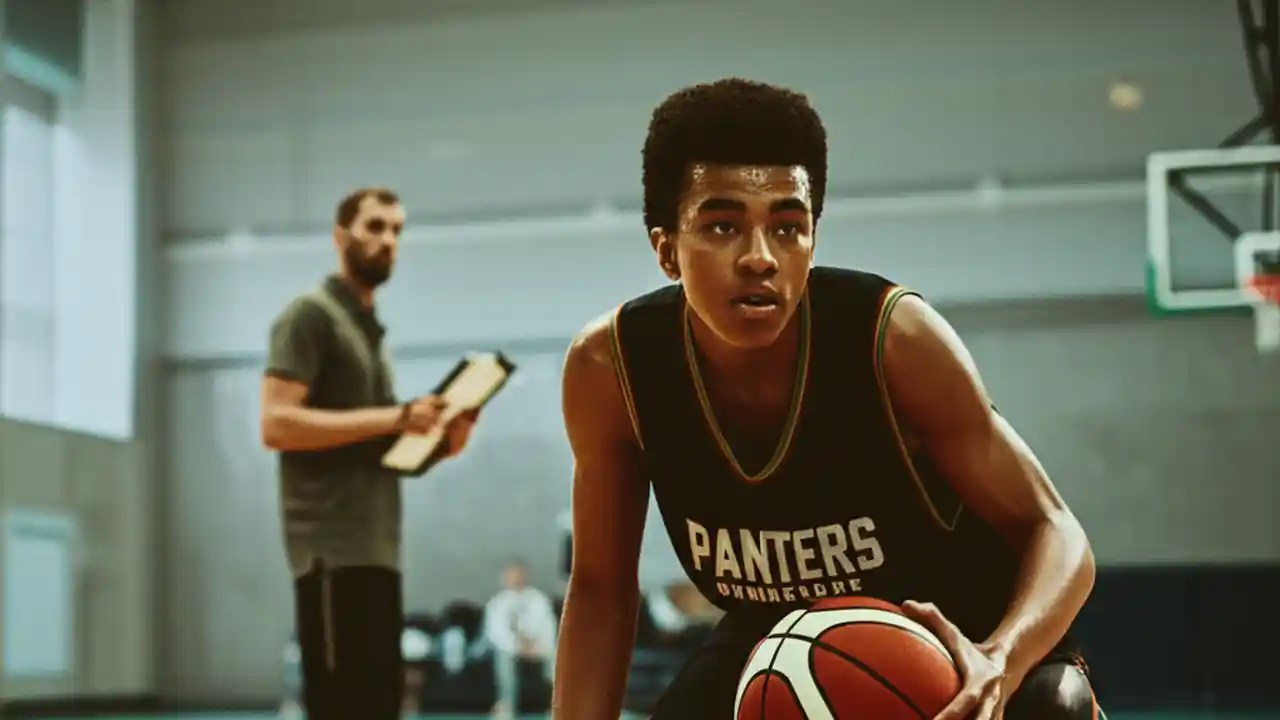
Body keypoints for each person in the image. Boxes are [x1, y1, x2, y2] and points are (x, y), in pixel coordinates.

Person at [552, 79, 1102, 720]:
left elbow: (1057, 531)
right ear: (666, 249)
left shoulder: (892, 338)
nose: (760, 258)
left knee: (1050, 709)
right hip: (780, 638)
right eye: (723, 225)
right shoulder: (610, 366)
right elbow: (599, 588)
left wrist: (1001, 659)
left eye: (788, 227)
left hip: (956, 635)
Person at [259, 187, 480, 720]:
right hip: (332, 551)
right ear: (341, 236)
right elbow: (277, 423)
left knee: (380, 706)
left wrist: (444, 440)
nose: (388, 240)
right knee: (342, 707)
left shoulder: (372, 333)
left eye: (397, 230)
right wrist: (400, 416)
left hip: (378, 550)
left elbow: (379, 448)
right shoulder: (309, 316)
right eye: (375, 226)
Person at [482, 560, 558, 718]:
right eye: (512, 576)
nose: (516, 579)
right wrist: (518, 646)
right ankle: (507, 705)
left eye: (519, 575)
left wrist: (537, 646)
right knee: (503, 659)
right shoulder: (497, 603)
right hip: (510, 648)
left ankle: (557, 705)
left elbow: (547, 626)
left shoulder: (538, 599)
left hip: (537, 646)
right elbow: (496, 634)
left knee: (556, 658)